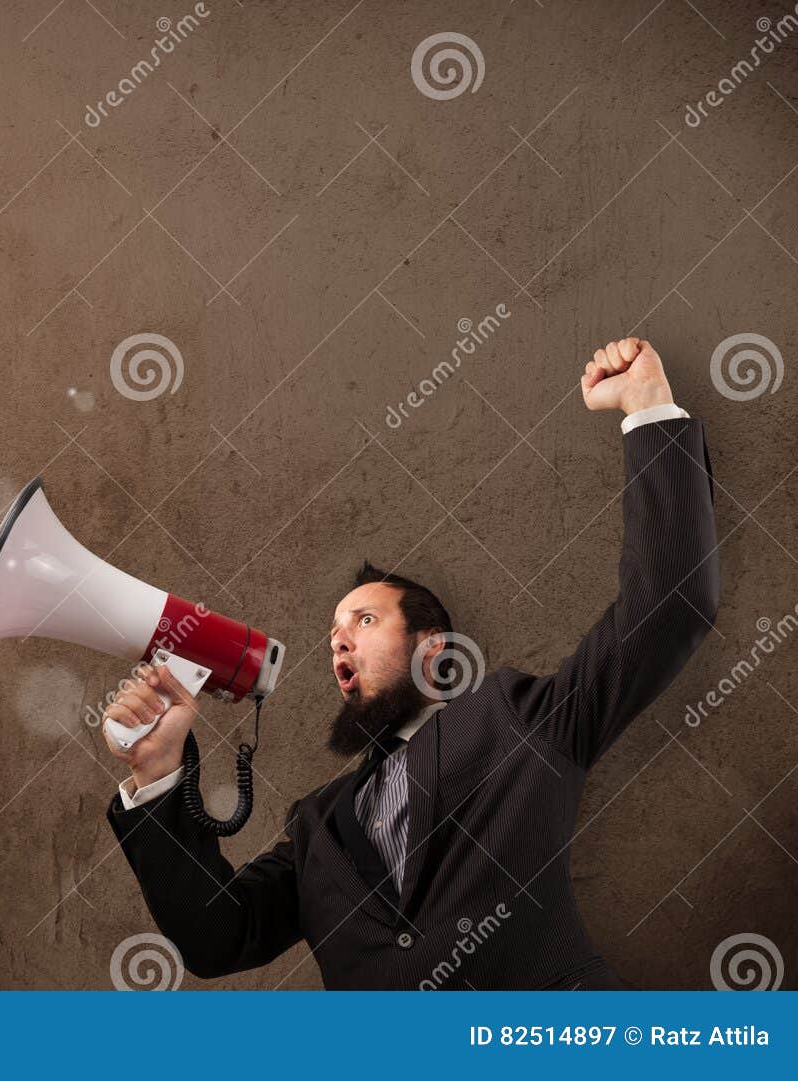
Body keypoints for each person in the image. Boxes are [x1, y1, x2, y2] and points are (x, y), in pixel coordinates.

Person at [102, 338, 719, 989]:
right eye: (333, 632)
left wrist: (647, 403)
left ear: (435, 650)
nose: (338, 641)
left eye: (363, 620)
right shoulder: (316, 828)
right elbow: (214, 938)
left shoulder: (519, 722)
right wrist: (159, 775)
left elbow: (672, 604)